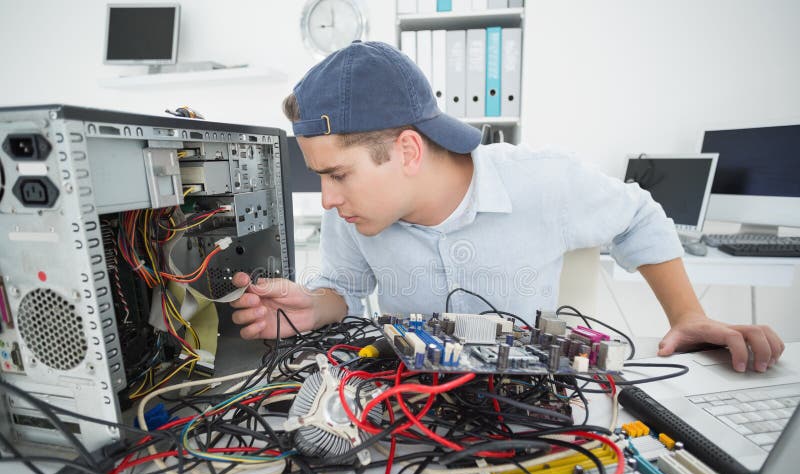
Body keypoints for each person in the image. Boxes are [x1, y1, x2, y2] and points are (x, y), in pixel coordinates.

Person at [231, 40, 784, 373]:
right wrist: (314, 306)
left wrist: (688, 317)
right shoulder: (349, 214)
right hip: (410, 409)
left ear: (406, 150)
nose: (327, 198)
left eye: (337, 174)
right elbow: (343, 291)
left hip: (528, 411)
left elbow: (639, 216)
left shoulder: (543, 181)